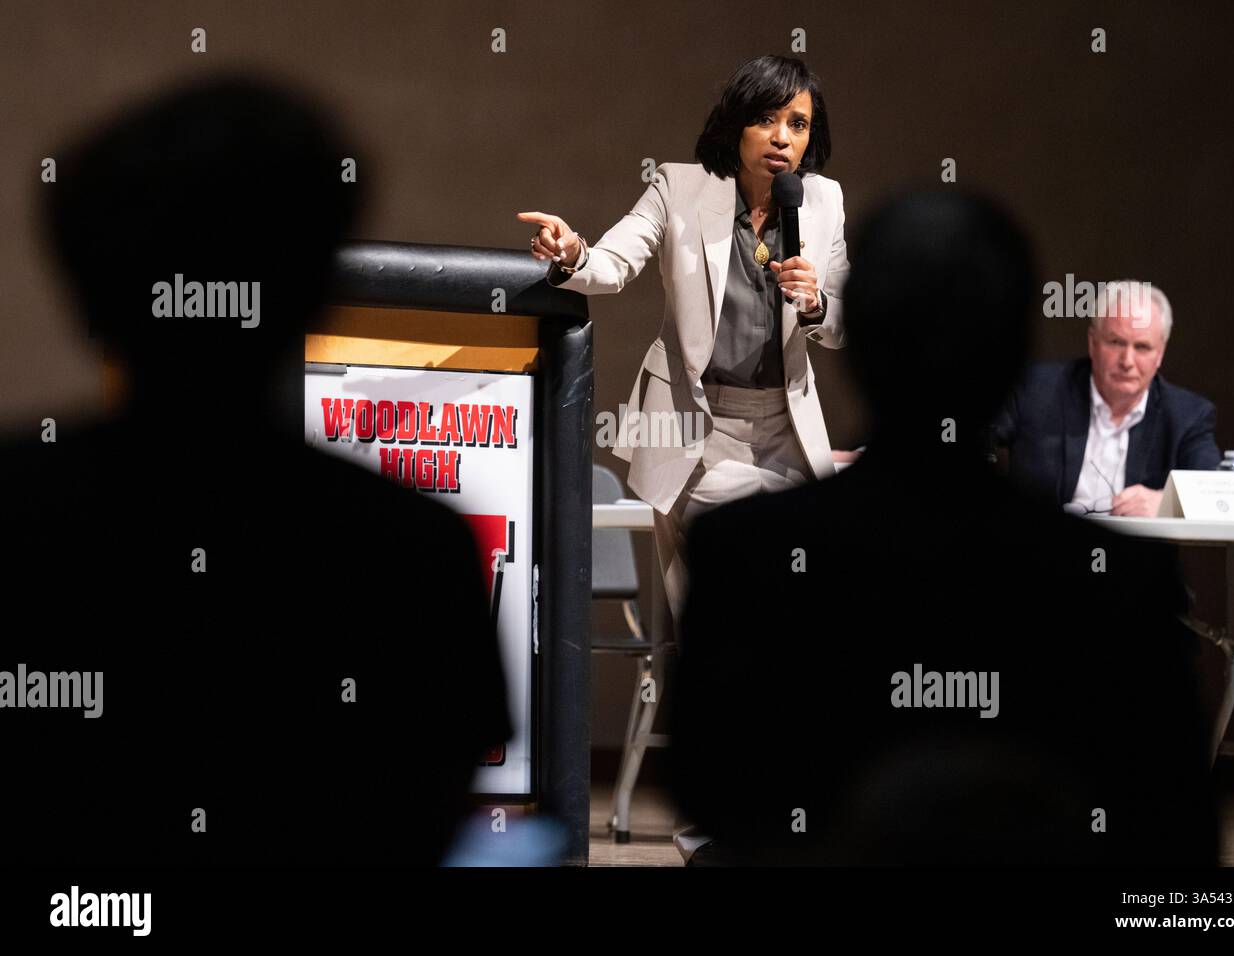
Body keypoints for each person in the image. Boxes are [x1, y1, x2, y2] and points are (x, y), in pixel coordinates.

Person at [0, 75, 511, 868]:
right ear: (319, 292)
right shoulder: (410, 551)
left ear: (85, 298)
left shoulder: (17, 514)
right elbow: (427, 815)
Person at [668, 191, 1219, 865]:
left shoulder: (745, 556)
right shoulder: (1121, 588)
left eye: (1143, 346)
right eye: (1116, 341)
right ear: (1021, 353)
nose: (1128, 357)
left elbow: (709, 794)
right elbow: (1181, 846)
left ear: (857, 345)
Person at [516, 54, 849, 626]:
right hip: (696, 426)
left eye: (797, 123)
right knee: (733, 601)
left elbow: (844, 326)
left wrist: (817, 302)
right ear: (735, 124)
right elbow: (613, 262)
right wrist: (572, 253)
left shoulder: (822, 201)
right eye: (766, 118)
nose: (781, 137)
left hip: (787, 430)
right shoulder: (680, 185)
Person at [993, 281, 1220, 516]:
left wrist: (1166, 503)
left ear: (1160, 354)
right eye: (1116, 342)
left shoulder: (1187, 416)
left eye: (1142, 347)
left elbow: (1220, 495)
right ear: (1093, 343)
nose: (1127, 362)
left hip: (1133, 552)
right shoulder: (1035, 389)